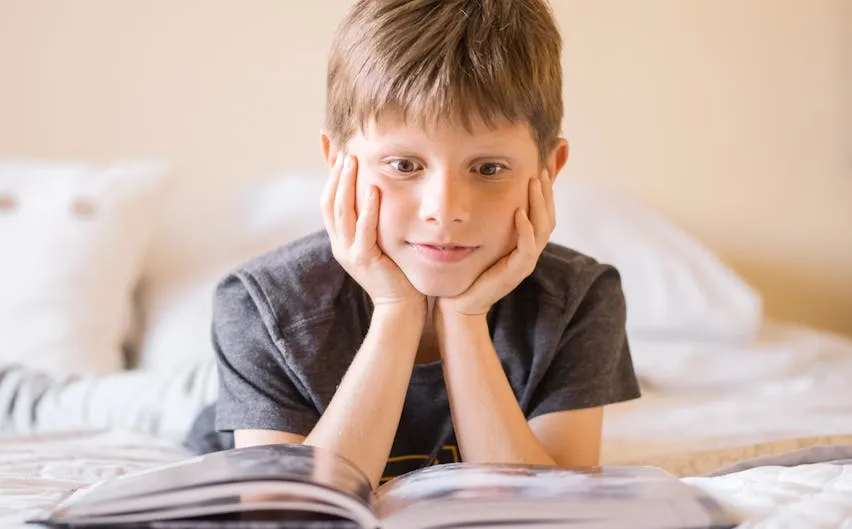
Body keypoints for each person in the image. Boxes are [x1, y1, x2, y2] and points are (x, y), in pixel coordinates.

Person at [187, 0, 641, 487]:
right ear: (336, 160)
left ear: (548, 170)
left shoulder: (581, 299)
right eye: (404, 165)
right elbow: (293, 512)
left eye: (488, 168)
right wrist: (395, 309)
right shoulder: (262, 304)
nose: (444, 210)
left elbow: (552, 506)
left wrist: (464, 319)